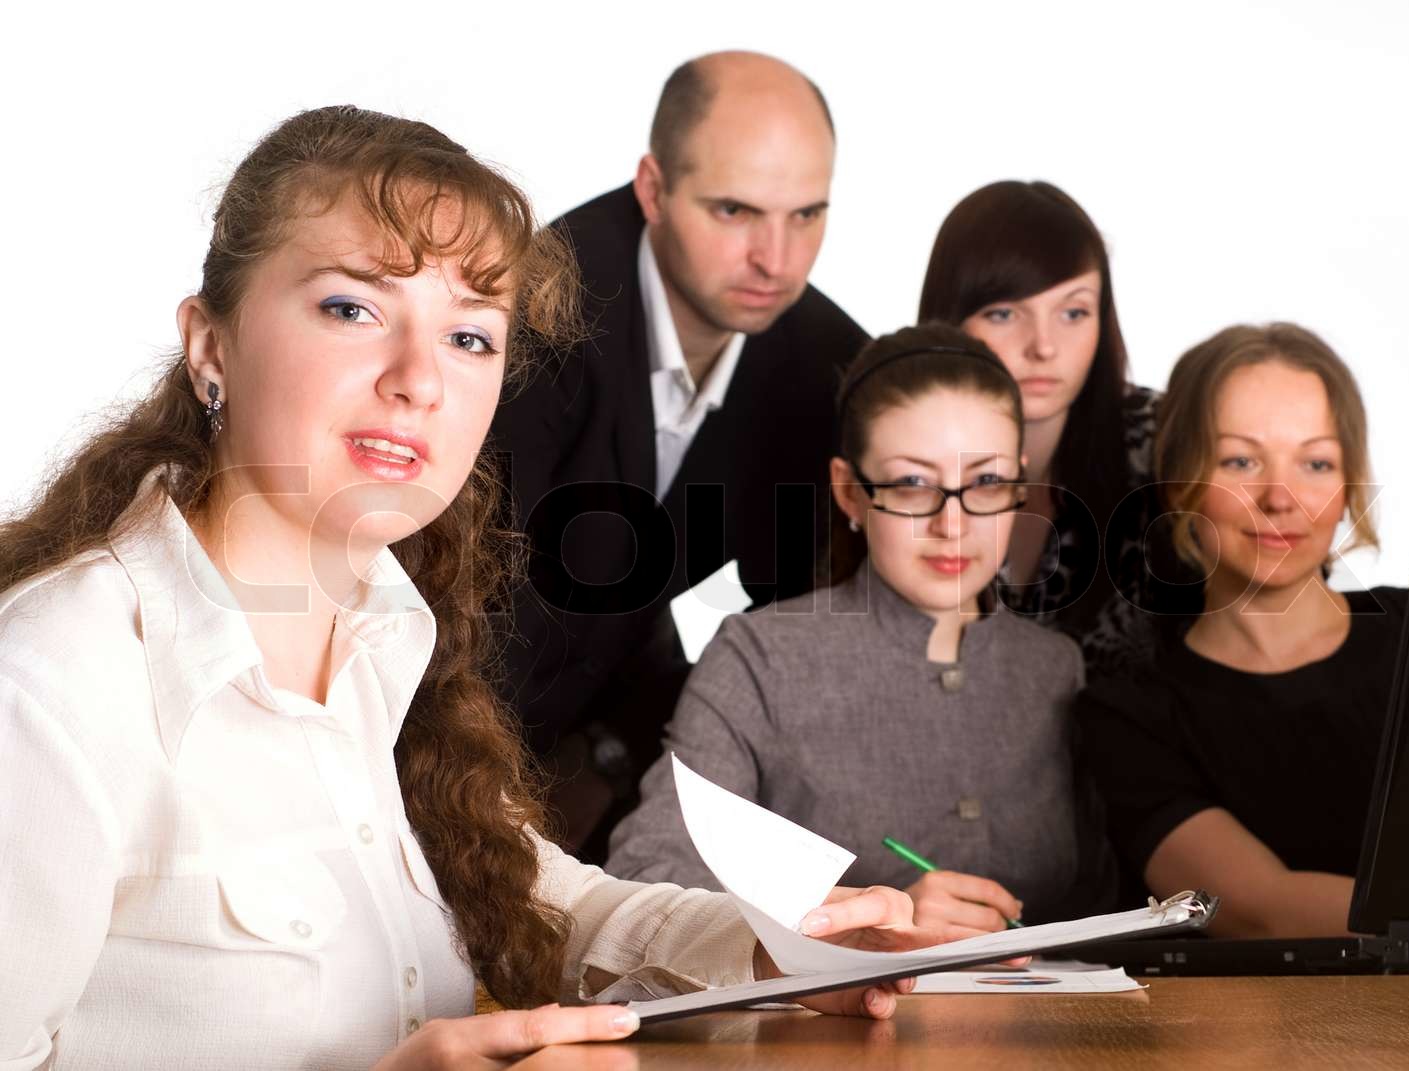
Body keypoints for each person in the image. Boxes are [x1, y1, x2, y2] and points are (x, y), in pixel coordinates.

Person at [0, 106, 937, 1071]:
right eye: (352, 309)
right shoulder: (51, 683)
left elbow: (534, 897)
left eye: (469, 337)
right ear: (209, 344)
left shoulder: (384, 635)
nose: (420, 380)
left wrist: (773, 949)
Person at [607, 324, 1120, 934]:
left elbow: (1102, 905)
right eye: (912, 484)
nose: (952, 525)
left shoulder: (1056, 668)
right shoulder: (760, 657)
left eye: (986, 482)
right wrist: (861, 917)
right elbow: (645, 877)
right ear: (850, 493)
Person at [490, 51, 867, 858]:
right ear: (653, 189)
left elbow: (785, 641)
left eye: (807, 214)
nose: (777, 259)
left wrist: (611, 757)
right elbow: (447, 613)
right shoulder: (524, 317)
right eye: (735, 211)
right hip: (421, 746)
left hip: (617, 760)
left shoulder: (829, 369)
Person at [1075, 322, 1404, 939]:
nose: (1281, 498)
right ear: (1181, 482)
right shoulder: (1129, 714)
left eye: (1316, 462)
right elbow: (1258, 910)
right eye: (1241, 461)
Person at [919, 180, 1201, 678]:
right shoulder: (893, 452)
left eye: (1073, 312)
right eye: (1004, 313)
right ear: (950, 319)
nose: (1044, 346)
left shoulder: (1164, 445)